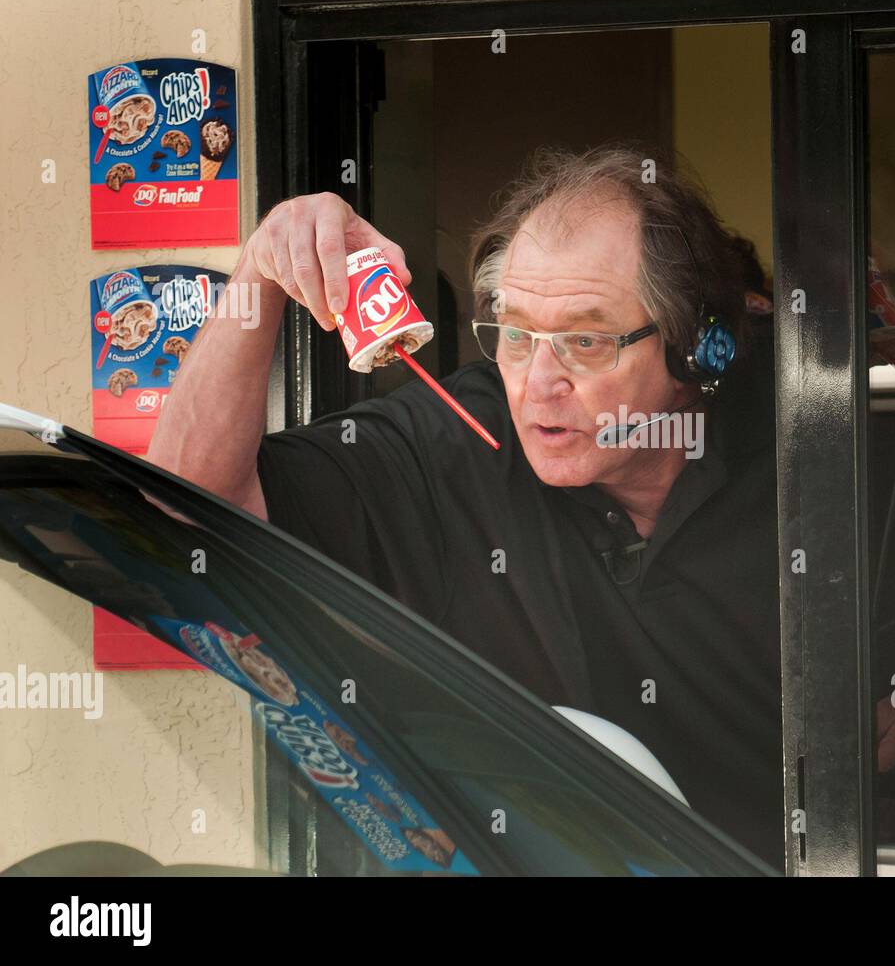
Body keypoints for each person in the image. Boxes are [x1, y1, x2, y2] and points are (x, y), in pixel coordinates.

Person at [147, 143, 783, 869]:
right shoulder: (462, 431)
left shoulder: (802, 443)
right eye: (515, 334)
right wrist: (262, 270)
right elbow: (184, 511)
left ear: (695, 353)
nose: (540, 382)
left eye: (585, 339)